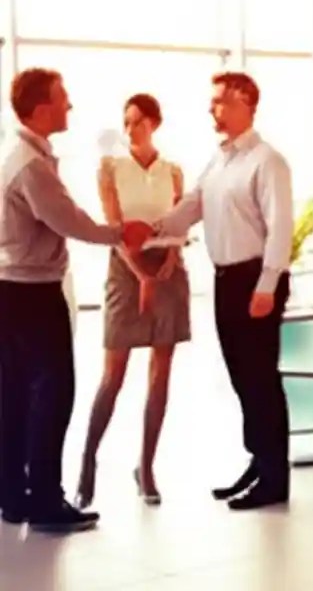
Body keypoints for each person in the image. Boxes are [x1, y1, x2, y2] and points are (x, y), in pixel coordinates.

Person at [0, 67, 152, 532]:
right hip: (31, 295)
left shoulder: (20, 154)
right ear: (42, 108)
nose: (69, 106)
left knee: (14, 396)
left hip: (10, 290)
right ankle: (46, 500)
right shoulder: (30, 164)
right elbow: (68, 220)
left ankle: (13, 495)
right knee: (53, 393)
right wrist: (121, 234)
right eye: (63, 99)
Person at [152, 71, 293, 511]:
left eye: (219, 102)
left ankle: (275, 478)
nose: (212, 110)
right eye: (212, 102)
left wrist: (267, 284)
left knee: (260, 378)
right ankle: (259, 461)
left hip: (255, 281)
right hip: (225, 281)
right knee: (241, 377)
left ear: (246, 102)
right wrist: (152, 230)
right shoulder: (219, 161)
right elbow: (191, 206)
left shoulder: (267, 161)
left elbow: (281, 227)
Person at [75, 94, 191, 510]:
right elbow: (114, 226)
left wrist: (169, 263)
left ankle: (146, 467)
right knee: (113, 376)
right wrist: (142, 274)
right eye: (126, 122)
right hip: (126, 271)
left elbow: (177, 222)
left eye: (139, 121)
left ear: (155, 123)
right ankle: (87, 464)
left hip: (168, 271)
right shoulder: (110, 168)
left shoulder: (173, 171)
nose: (131, 128)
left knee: (160, 377)